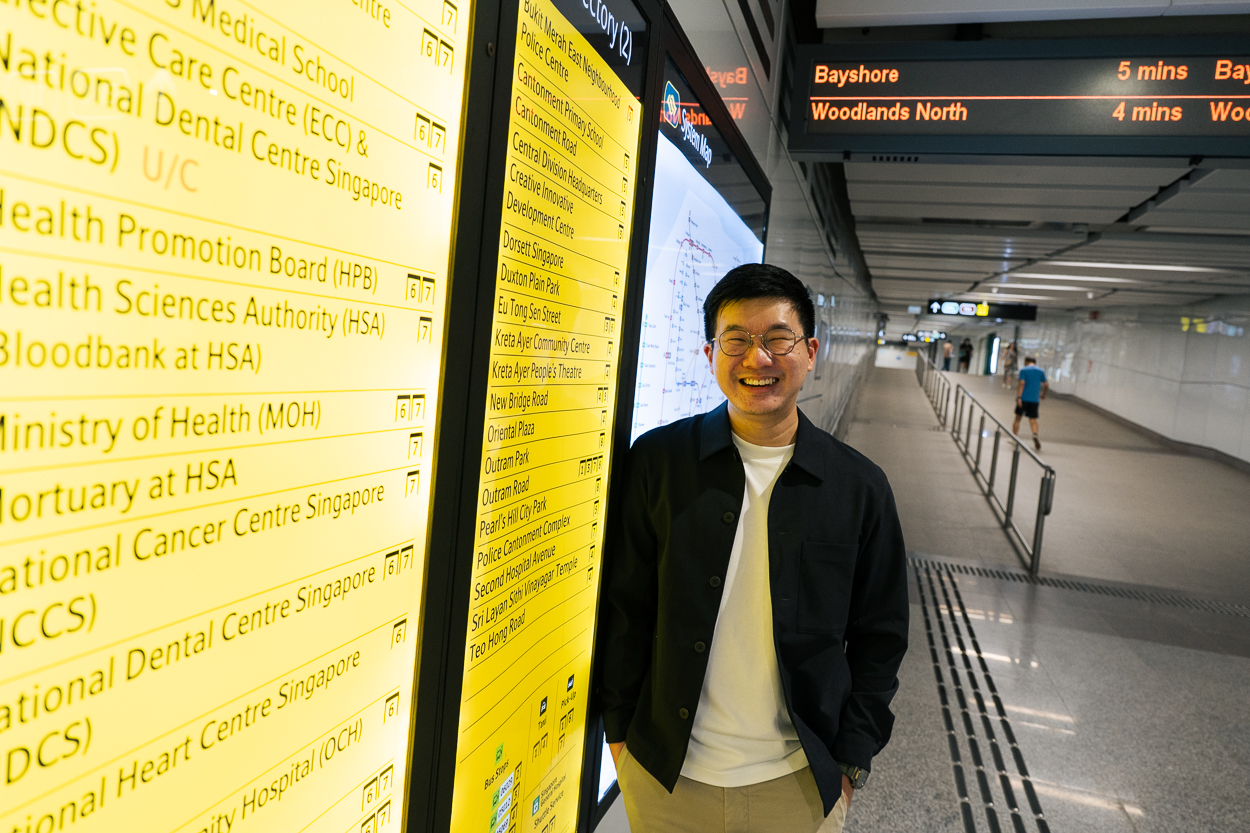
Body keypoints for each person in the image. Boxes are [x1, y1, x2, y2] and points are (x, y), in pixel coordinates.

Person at [597, 264, 909, 833]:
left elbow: (881, 636)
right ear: (710, 353)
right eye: (735, 340)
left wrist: (849, 762)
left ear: (810, 352)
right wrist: (619, 736)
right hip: (665, 781)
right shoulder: (659, 463)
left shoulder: (859, 487)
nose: (757, 358)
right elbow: (625, 609)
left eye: (778, 339)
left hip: (797, 787)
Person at [1013, 356, 1048, 451]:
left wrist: (1019, 397)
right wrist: (1043, 394)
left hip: (1023, 398)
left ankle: (1014, 437)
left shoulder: (1024, 370)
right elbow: (1046, 384)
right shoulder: (1041, 371)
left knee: (1017, 418)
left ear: (1026, 361)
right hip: (1034, 400)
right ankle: (1035, 434)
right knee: (1033, 419)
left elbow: (1022, 383)